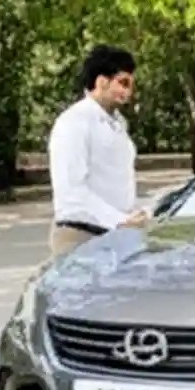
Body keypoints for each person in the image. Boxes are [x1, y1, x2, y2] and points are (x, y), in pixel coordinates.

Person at [47, 44, 147, 255]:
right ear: (102, 81)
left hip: (116, 235)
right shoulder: (74, 122)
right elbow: (72, 192)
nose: (128, 92)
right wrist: (119, 220)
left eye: (130, 85)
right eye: (123, 83)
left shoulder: (119, 124)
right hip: (81, 236)